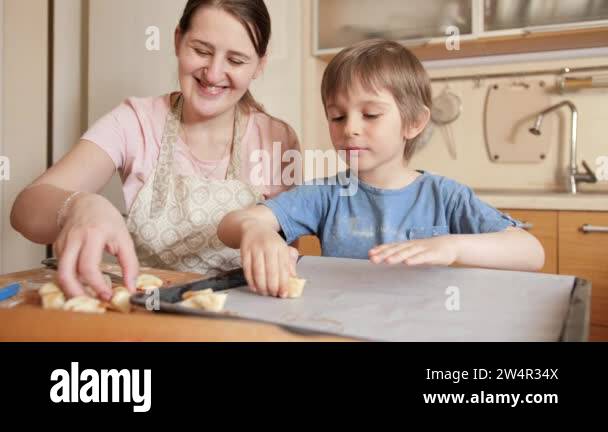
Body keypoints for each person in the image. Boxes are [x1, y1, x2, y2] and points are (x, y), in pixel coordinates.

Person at [11, 0, 299, 301]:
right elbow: (25, 210)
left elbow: (287, 258)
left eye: (236, 61)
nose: (213, 74)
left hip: (243, 319)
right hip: (151, 314)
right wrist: (77, 206)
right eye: (201, 50)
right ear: (177, 40)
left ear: (259, 65)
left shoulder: (277, 139)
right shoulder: (134, 121)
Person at [218, 39, 545, 299]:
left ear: (414, 123)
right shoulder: (327, 194)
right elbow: (230, 225)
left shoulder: (444, 196)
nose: (350, 129)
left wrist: (453, 246)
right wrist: (255, 231)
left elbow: (531, 252)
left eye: (371, 114)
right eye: (338, 116)